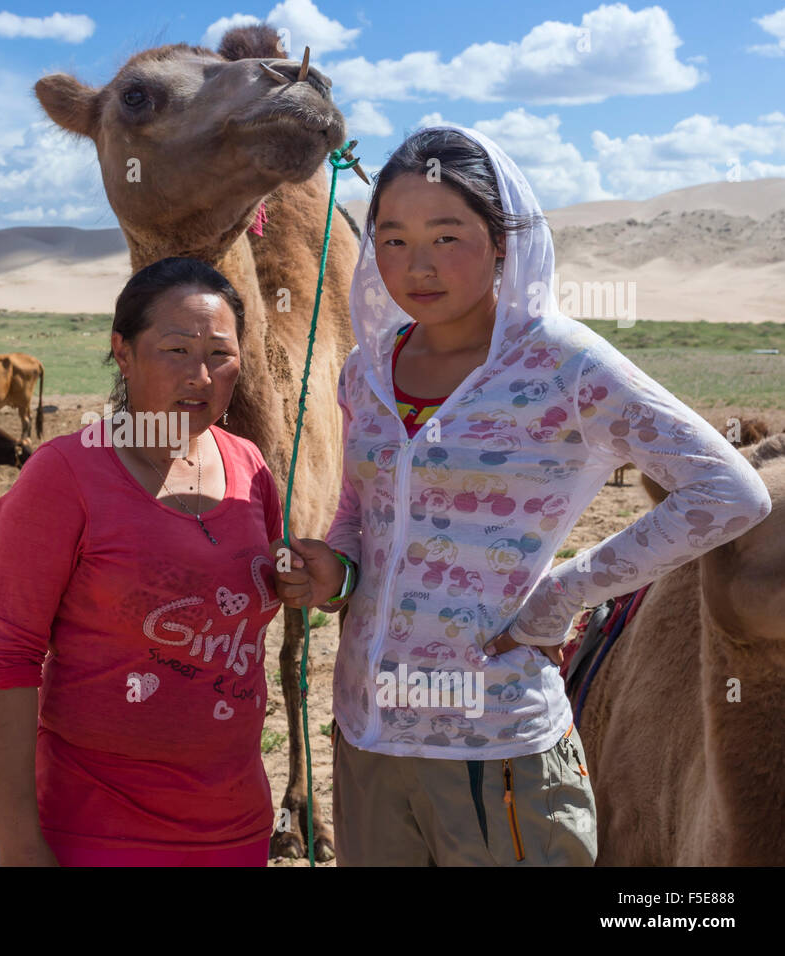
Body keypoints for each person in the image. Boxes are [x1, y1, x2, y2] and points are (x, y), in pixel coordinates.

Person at [272, 124, 772, 866]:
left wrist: (565, 591)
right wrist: (335, 571)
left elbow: (727, 490)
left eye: (448, 236)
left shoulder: (562, 364)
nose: (419, 266)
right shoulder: (368, 371)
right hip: (366, 736)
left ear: (502, 241)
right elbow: (359, 514)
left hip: (496, 746)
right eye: (394, 238)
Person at [0, 256, 285, 867]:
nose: (200, 375)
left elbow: (262, 592)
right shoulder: (65, 476)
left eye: (220, 355)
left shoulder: (250, 466)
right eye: (175, 350)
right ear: (123, 353)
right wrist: (18, 841)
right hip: (99, 826)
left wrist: (314, 578)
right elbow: (9, 661)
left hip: (237, 823)